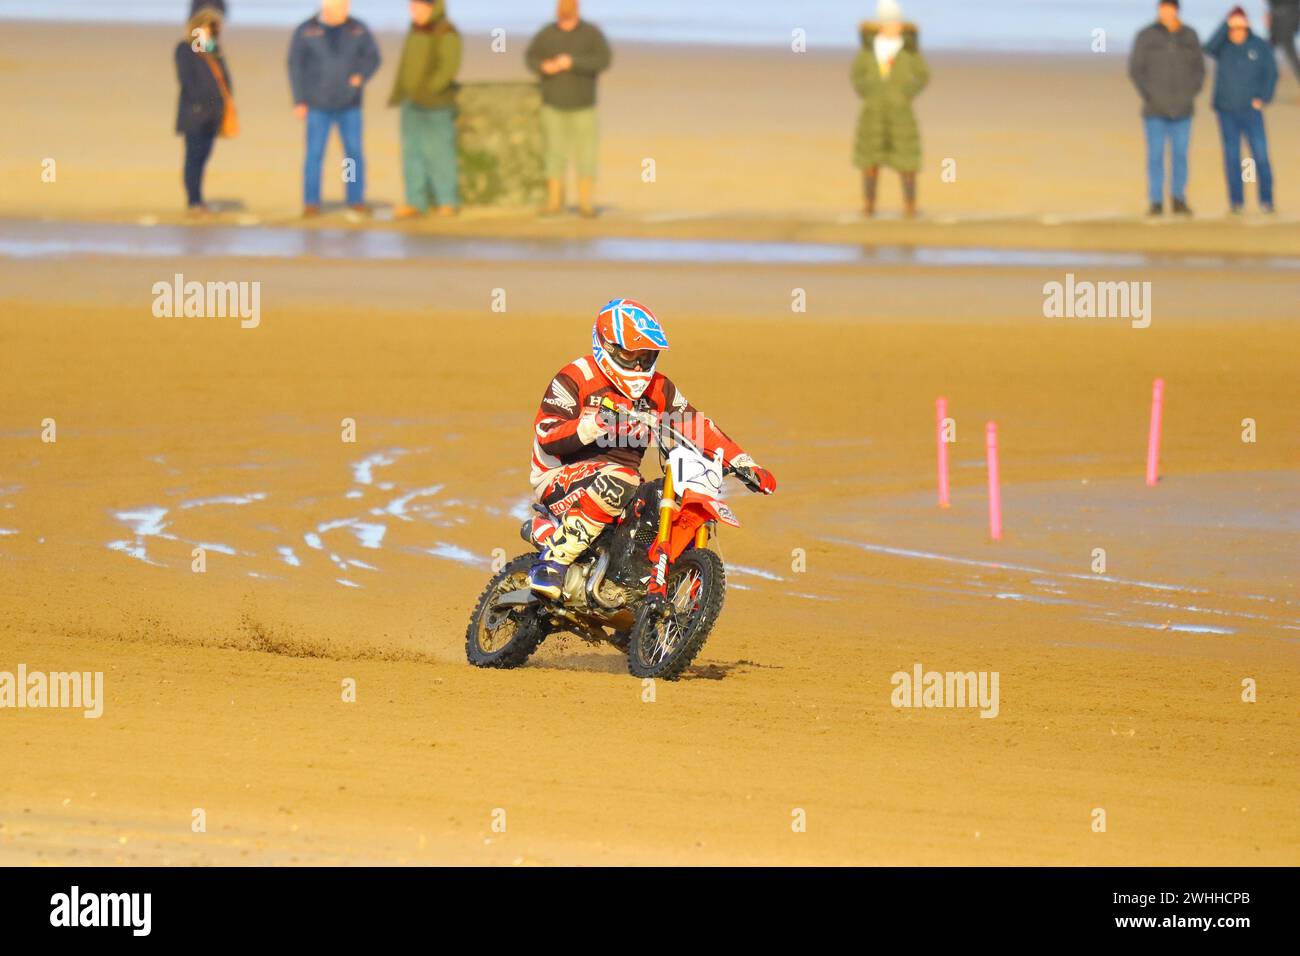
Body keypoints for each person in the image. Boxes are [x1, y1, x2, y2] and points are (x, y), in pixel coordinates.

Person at [526, 299, 777, 597]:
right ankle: (553, 563)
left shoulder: (658, 388)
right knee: (623, 479)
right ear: (608, 347)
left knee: (662, 497)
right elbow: (547, 434)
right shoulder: (577, 376)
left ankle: (634, 589)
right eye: (632, 354)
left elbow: (697, 426)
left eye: (646, 356)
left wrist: (744, 463)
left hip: (620, 481)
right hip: (558, 476)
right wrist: (594, 424)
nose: (639, 364)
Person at [288, 0, 381, 217]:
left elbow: (373, 58)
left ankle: (354, 198)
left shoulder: (357, 28)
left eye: (346, 5)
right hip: (317, 104)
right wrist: (299, 100)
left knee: (351, 155)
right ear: (326, 5)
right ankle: (311, 202)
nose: (344, 9)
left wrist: (361, 75)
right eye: (339, 5)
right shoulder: (306, 30)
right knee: (314, 154)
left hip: (350, 103)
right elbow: (295, 66)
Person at [524, 0, 612, 217]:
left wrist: (573, 62)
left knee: (586, 155)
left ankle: (585, 203)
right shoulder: (546, 33)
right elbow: (530, 58)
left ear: (577, 8)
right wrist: (544, 66)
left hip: (584, 105)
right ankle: (554, 202)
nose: (564, 9)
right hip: (553, 104)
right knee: (554, 154)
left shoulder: (591, 33)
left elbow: (604, 60)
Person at [851, 0, 930, 218]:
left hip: (901, 112)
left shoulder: (908, 50)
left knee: (907, 158)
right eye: (887, 22)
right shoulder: (869, 49)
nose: (891, 26)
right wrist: (868, 91)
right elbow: (856, 75)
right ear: (879, 24)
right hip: (872, 111)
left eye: (895, 22)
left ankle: (910, 205)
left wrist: (906, 94)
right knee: (869, 158)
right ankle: (869, 205)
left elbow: (923, 75)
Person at [1128, 0, 1205, 216]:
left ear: (1176, 10)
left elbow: (1199, 70)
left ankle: (1179, 199)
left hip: (1183, 109)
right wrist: (1150, 96)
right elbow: (1135, 70)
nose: (1166, 12)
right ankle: (1156, 202)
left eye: (1170, 7)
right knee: (1155, 157)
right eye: (1163, 7)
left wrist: (1190, 93)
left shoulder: (1190, 35)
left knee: (1180, 156)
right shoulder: (1146, 35)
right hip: (1155, 110)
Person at [389, 1, 462, 219]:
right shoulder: (415, 30)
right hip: (410, 102)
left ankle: (447, 201)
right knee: (412, 153)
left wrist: (429, 89)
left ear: (432, 8)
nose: (413, 12)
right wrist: (400, 91)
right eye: (412, 7)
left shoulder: (447, 31)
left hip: (437, 104)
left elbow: (449, 67)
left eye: (418, 7)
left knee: (440, 154)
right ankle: (415, 202)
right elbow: (406, 64)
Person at [1205, 7, 1278, 213]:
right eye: (1233, 26)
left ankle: (1266, 201)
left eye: (1240, 25)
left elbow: (1271, 73)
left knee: (1259, 157)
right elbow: (1208, 48)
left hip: (1251, 111)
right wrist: (1225, 23)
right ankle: (1237, 202)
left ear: (1247, 25)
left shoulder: (1260, 46)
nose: (1237, 30)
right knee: (1232, 157)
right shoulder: (1223, 46)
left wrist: (1264, 98)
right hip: (1226, 111)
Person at [174, 5, 237, 216]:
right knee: (194, 158)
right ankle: (194, 201)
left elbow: (224, 80)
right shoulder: (185, 49)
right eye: (210, 27)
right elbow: (188, 81)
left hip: (214, 115)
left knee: (203, 157)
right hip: (195, 114)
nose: (213, 31)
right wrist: (202, 102)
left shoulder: (213, 51)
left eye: (215, 28)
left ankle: (198, 199)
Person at [1266, 0, 1300, 88]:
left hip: (1285, 28)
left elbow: (1294, 10)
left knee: (1292, 58)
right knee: (1265, 53)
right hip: (1279, 28)